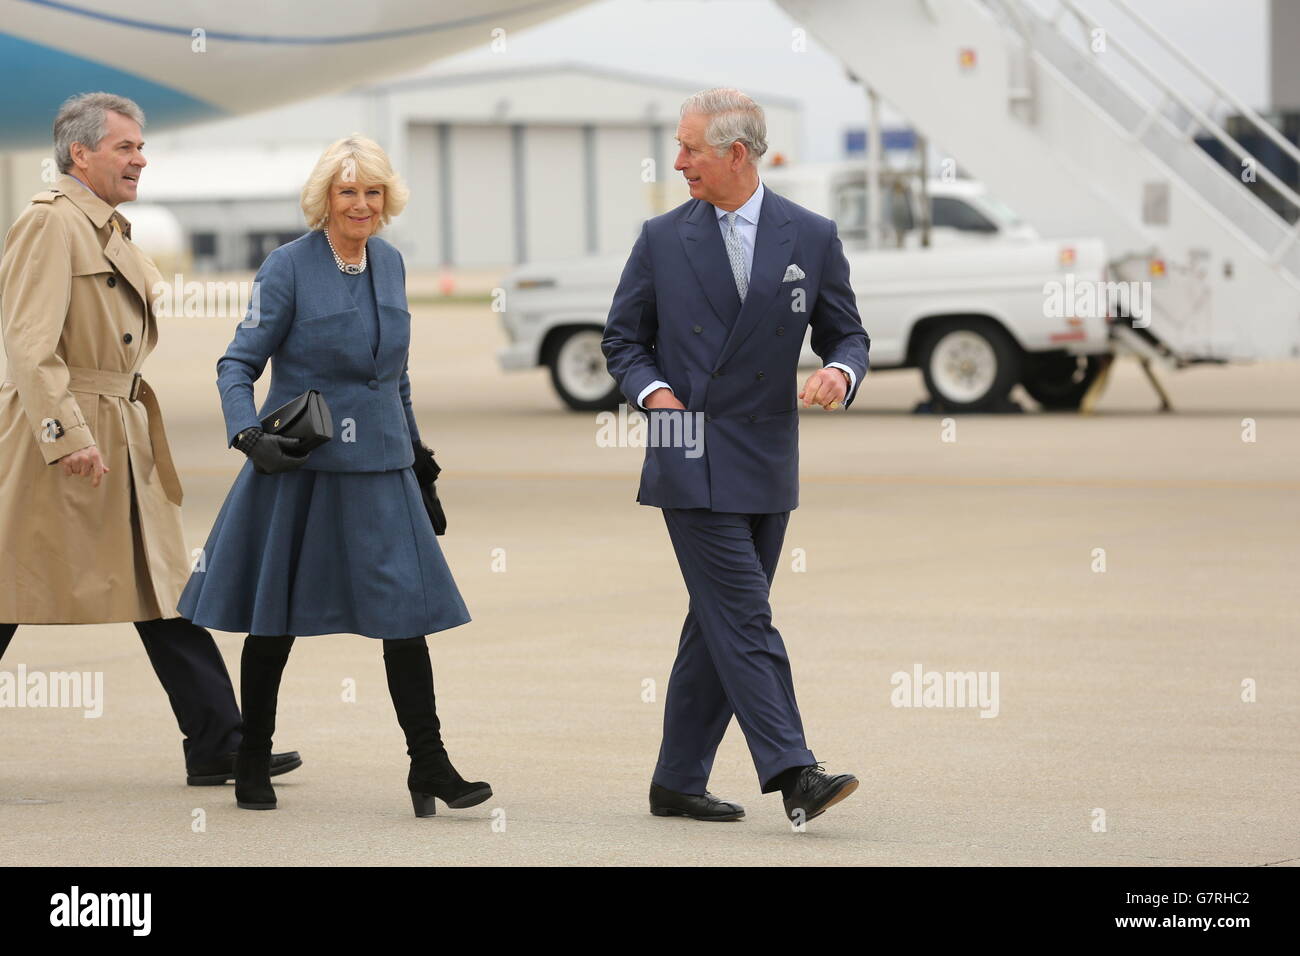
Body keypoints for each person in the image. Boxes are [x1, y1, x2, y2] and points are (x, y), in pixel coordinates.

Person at [176, 134, 489, 817]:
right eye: (348, 192)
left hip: (382, 467)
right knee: (275, 619)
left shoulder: (392, 263)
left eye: (373, 192)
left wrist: (421, 461)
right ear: (325, 200)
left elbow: (395, 375)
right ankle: (252, 753)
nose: (361, 204)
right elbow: (237, 364)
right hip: (302, 465)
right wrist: (247, 433)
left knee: (406, 618)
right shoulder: (287, 268)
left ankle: (428, 764)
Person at [0, 91, 301, 787]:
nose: (141, 158)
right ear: (81, 153)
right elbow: (26, 343)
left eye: (140, 146)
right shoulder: (50, 225)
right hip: (65, 437)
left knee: (166, 591)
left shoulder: (106, 227)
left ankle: (221, 743)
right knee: (10, 589)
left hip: (119, 430)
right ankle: (223, 740)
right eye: (125, 147)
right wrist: (64, 433)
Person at [602, 88, 870, 824]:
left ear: (737, 155)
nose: (679, 162)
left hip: (767, 455)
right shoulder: (662, 237)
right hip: (686, 447)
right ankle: (794, 771)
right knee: (745, 614)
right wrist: (654, 394)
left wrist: (838, 373)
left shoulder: (810, 235)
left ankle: (676, 781)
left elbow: (849, 334)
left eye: (690, 149)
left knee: (717, 621)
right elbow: (622, 341)